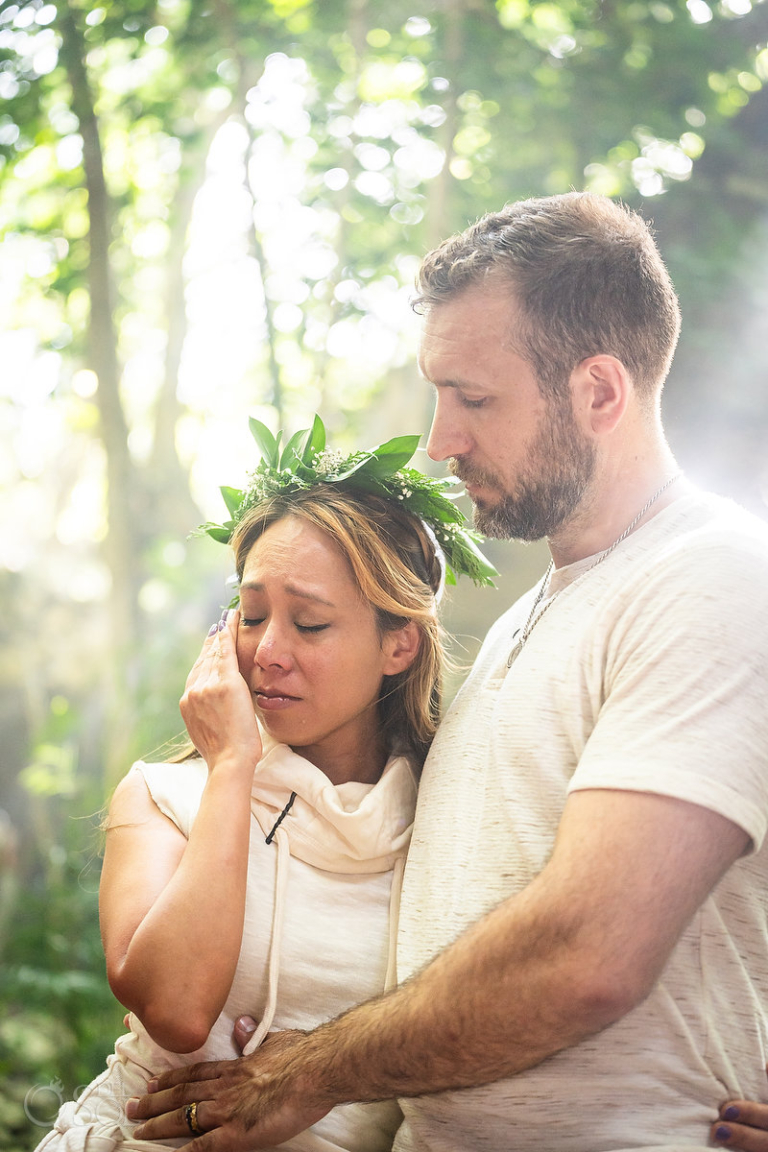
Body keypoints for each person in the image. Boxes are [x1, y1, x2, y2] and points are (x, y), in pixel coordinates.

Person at [127, 192, 768, 1152]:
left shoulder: (711, 576)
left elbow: (589, 954)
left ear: (599, 392)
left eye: (474, 398)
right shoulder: (529, 619)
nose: (441, 440)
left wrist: (308, 1072)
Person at [34, 417, 495, 1152]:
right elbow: (178, 1011)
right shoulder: (163, 796)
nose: (267, 652)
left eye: (309, 623)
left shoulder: (452, 820)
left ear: (399, 643)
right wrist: (230, 767)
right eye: (250, 615)